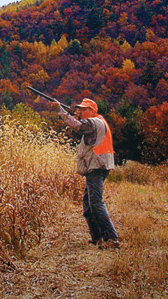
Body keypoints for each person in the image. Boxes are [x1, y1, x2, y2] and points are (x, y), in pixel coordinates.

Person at [56, 98, 120, 249]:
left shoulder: (93, 122)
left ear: (92, 111)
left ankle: (111, 239)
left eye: (84, 109)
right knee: (88, 203)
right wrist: (74, 116)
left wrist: (60, 110)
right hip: (98, 165)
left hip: (96, 167)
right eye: (80, 109)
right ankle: (96, 237)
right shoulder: (97, 122)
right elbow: (82, 128)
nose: (81, 111)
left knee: (95, 202)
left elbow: (77, 126)